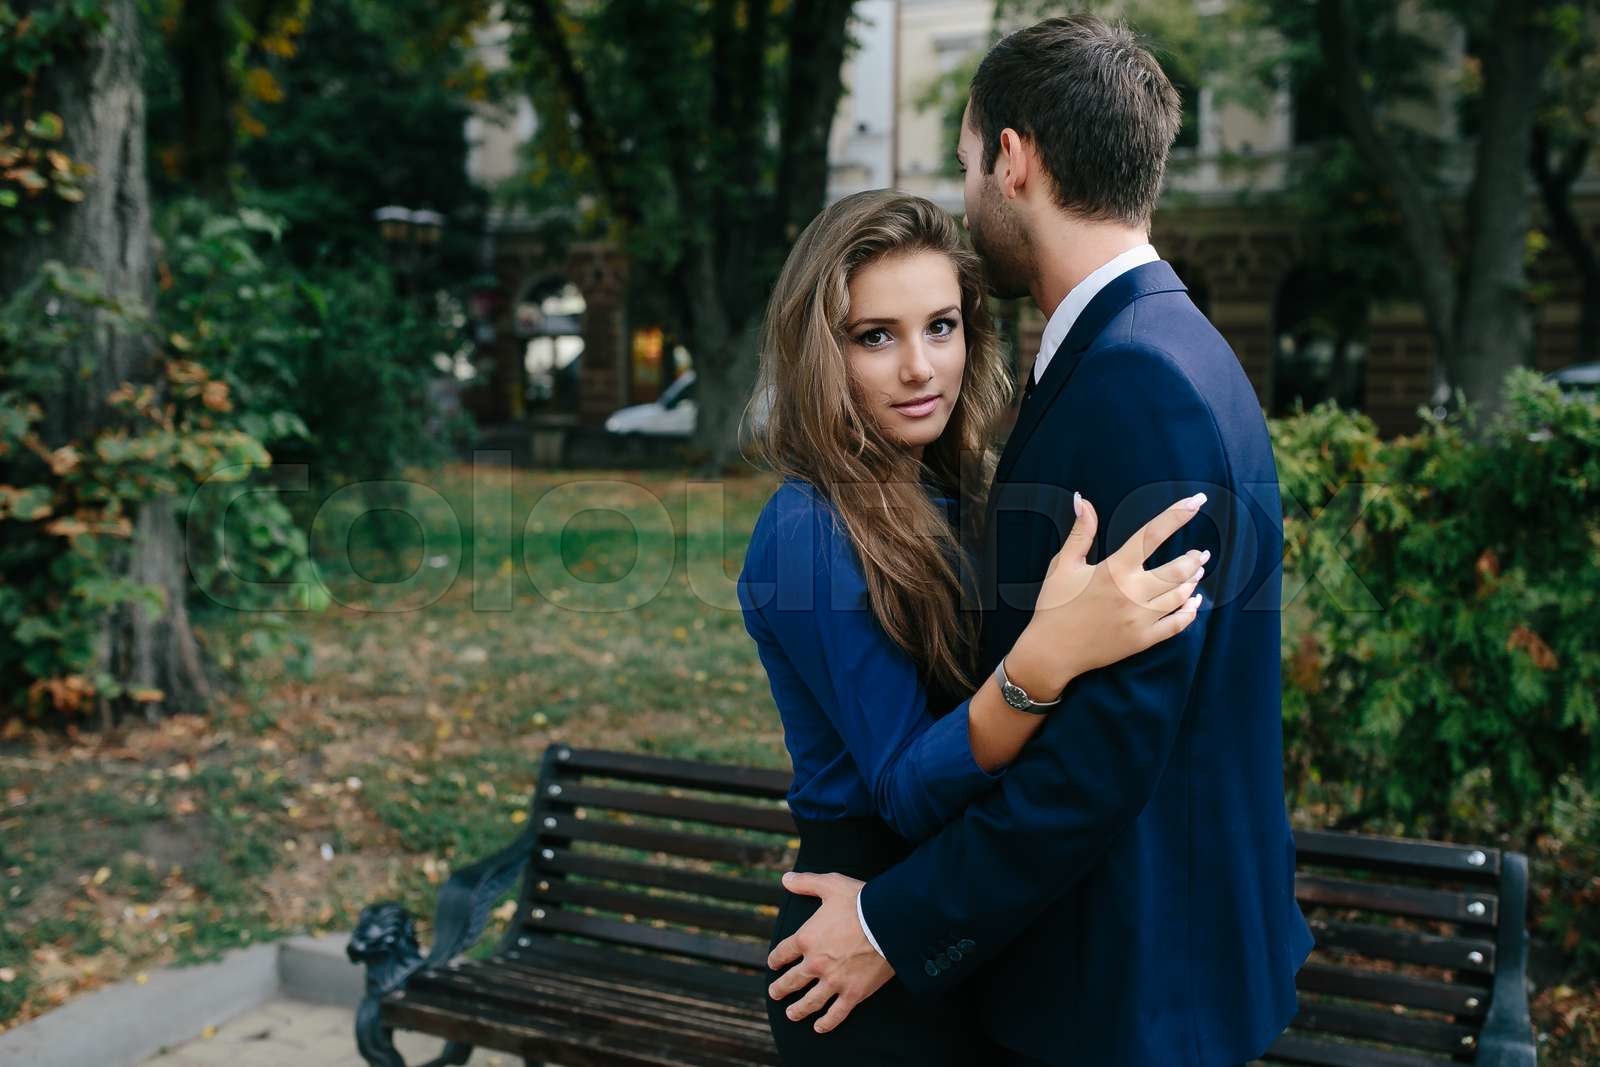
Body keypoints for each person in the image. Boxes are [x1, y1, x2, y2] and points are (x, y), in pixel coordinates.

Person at [760, 14, 1314, 1067]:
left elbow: (1101, 755)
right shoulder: (1165, 345)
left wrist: (894, 923)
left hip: (1134, 979)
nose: (969, 191)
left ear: (1011, 160)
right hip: (1057, 960)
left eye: (968, 159)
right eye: (876, 335)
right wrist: (1038, 661)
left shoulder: (1135, 379)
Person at [738, 188, 1210, 1064]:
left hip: (959, 927)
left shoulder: (957, 490)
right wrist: (1044, 660)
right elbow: (904, 790)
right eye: (875, 336)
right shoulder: (807, 526)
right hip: (860, 944)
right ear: (820, 353)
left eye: (941, 326)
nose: (920, 367)